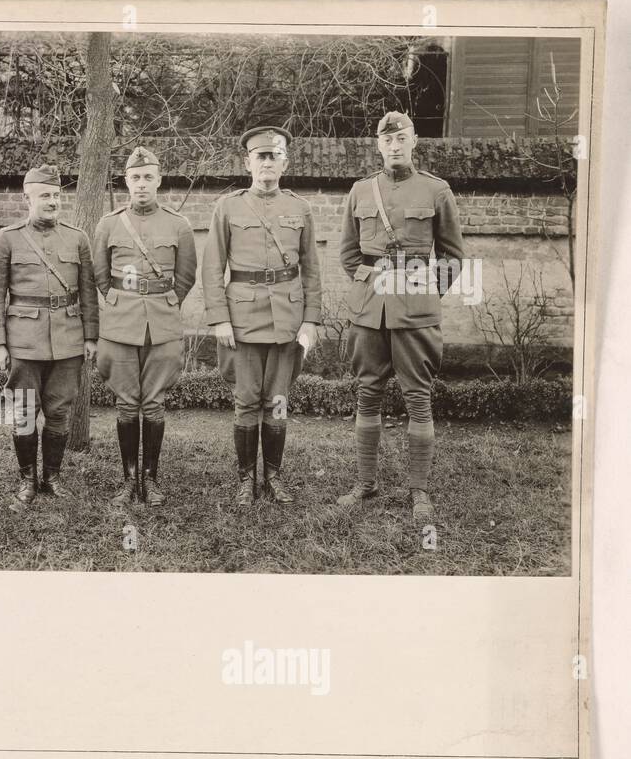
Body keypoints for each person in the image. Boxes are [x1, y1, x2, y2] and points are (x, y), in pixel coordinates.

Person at [337, 111, 467, 522]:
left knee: (418, 398)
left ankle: (419, 490)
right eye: (387, 140)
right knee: (367, 394)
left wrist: (422, 293)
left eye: (402, 138)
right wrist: (370, 277)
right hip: (369, 310)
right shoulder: (360, 191)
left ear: (414, 142)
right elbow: (348, 254)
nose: (394, 146)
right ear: (378, 145)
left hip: (415, 312)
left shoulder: (436, 190)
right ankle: (365, 482)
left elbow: (452, 257)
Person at [202, 125, 322, 506]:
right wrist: (219, 318)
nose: (267, 162)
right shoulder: (229, 207)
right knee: (246, 401)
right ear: (248, 162)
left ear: (285, 161)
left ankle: (273, 475)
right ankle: (245, 479)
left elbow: (312, 269)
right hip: (242, 320)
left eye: (275, 155)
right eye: (261, 156)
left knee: (279, 400)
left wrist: (311, 320)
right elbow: (211, 267)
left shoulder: (300, 208)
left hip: (287, 319)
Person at [0, 164, 98, 506]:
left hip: (68, 340)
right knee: (24, 411)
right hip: (23, 340)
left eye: (57, 195)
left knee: (60, 412)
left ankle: (53, 477)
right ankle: (27, 480)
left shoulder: (77, 238)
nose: (53, 201)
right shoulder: (8, 238)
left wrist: (91, 336)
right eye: (45, 195)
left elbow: (88, 291)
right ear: (27, 198)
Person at [92, 146, 198, 506]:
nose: (141, 184)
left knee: (153, 404)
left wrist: (162, 302)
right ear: (126, 181)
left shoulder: (178, 225)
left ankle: (150, 480)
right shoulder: (108, 224)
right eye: (135, 177)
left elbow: (185, 278)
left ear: (158, 181)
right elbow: (101, 277)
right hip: (120, 325)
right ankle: (128, 481)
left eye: (148, 177)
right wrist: (124, 302)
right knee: (126, 405)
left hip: (162, 324)